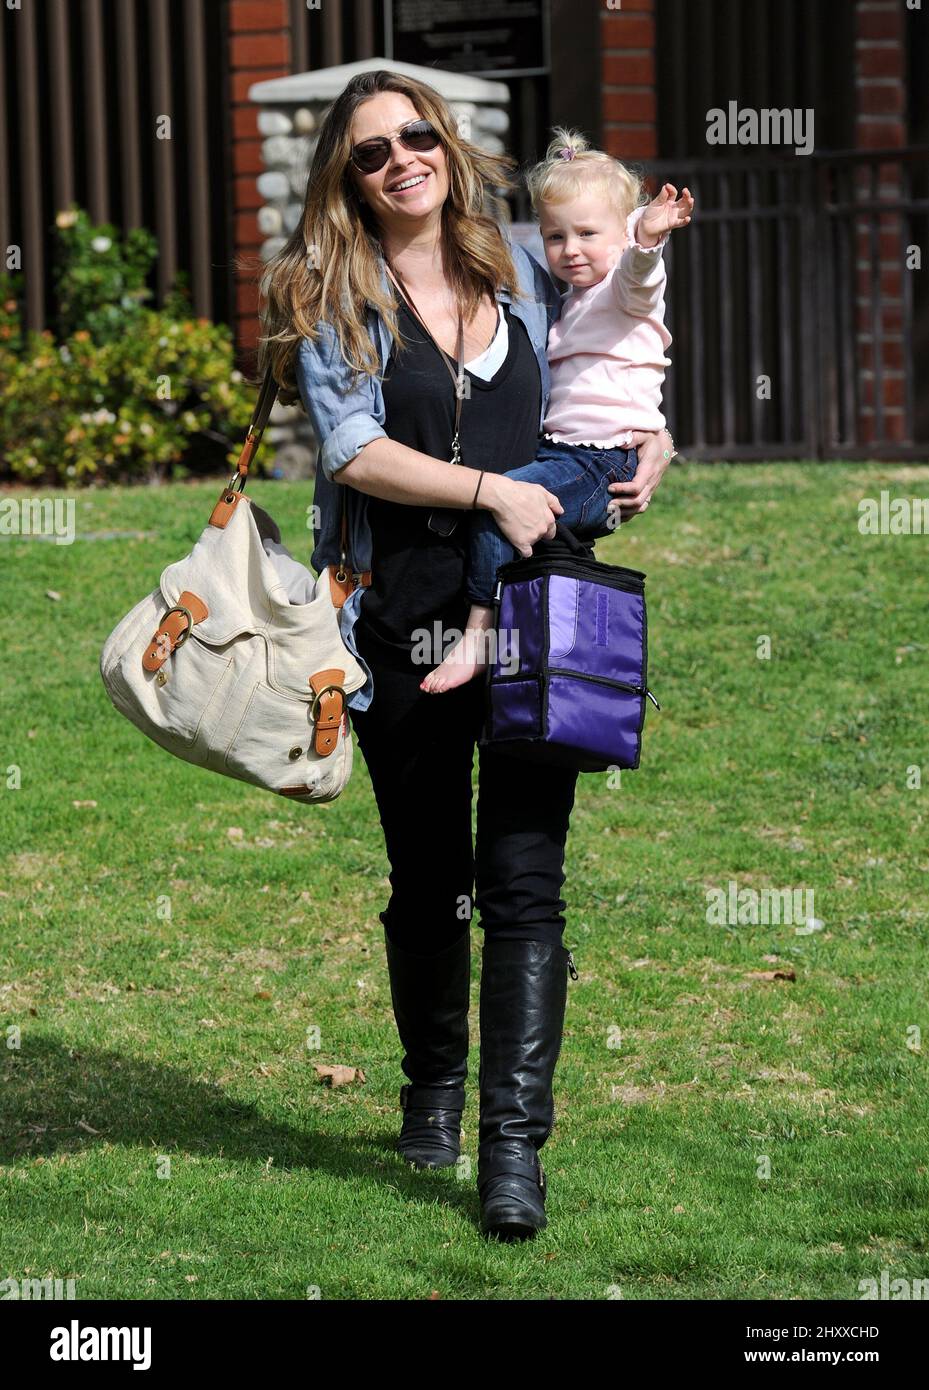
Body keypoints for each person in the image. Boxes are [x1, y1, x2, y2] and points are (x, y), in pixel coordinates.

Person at [258, 68, 675, 1241]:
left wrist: (653, 443)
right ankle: (431, 1089)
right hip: (401, 619)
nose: (400, 162)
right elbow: (352, 453)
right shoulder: (331, 293)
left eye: (414, 139)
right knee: (429, 881)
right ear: (348, 179)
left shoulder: (525, 271)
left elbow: (614, 355)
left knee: (526, 887)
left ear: (444, 144)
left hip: (540, 614)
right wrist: (494, 488)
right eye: (371, 153)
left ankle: (511, 1153)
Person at [421, 126, 691, 692]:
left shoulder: (622, 287)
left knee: (500, 503)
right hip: (570, 453)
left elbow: (641, 276)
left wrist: (648, 236)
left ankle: (479, 631)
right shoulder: (568, 299)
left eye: (589, 234)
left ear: (620, 234)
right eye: (555, 236)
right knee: (521, 522)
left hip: (601, 461)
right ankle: (535, 660)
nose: (570, 249)